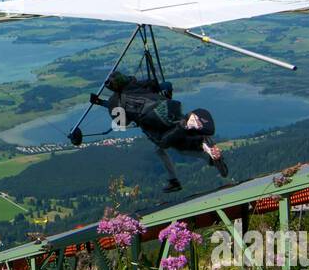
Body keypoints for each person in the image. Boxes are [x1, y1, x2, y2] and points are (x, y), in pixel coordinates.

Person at [89, 72, 228, 192]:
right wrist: (102, 102)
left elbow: (121, 122)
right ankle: (204, 151)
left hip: (155, 121)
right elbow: (164, 85)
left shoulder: (116, 102)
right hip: (171, 107)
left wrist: (106, 104)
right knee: (176, 144)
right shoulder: (136, 83)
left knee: (163, 143)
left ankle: (188, 127)